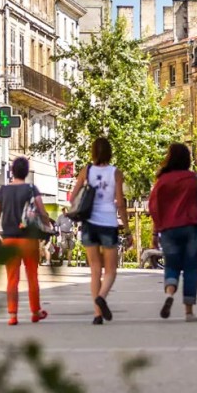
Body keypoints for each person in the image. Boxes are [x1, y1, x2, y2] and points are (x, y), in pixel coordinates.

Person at [148, 142, 197, 322]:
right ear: (188, 159)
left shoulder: (162, 181)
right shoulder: (195, 179)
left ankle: (170, 293)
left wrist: (155, 233)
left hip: (168, 230)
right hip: (191, 228)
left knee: (171, 265)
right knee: (191, 268)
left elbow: (154, 208)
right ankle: (189, 312)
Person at [68, 137, 126, 324]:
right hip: (109, 223)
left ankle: (97, 314)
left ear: (93, 152)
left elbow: (72, 197)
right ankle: (102, 297)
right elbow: (120, 203)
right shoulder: (116, 173)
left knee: (95, 270)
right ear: (110, 152)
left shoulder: (86, 171)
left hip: (89, 223)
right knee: (111, 270)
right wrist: (127, 227)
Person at [0, 156, 51, 326]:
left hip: (9, 240)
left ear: (12, 171)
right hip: (29, 240)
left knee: (12, 279)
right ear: (26, 172)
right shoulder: (31, 189)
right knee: (32, 276)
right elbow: (42, 211)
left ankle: (13, 314)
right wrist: (47, 227)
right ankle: (35, 312)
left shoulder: (2, 191)